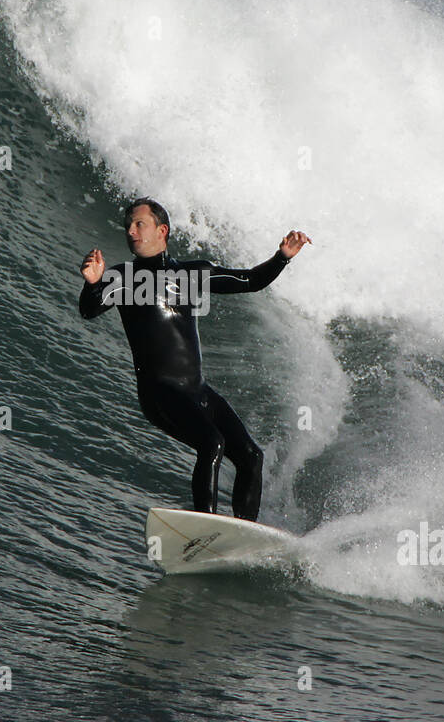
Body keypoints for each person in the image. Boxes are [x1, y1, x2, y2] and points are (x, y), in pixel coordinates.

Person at [78, 197, 311, 521]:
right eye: (127, 226)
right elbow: (89, 310)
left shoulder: (193, 274)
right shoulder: (123, 278)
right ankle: (207, 529)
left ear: (162, 230)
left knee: (250, 456)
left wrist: (282, 258)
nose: (130, 231)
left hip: (196, 391)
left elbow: (249, 281)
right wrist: (91, 285)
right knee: (212, 442)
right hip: (159, 391)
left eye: (138, 224)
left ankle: (242, 535)